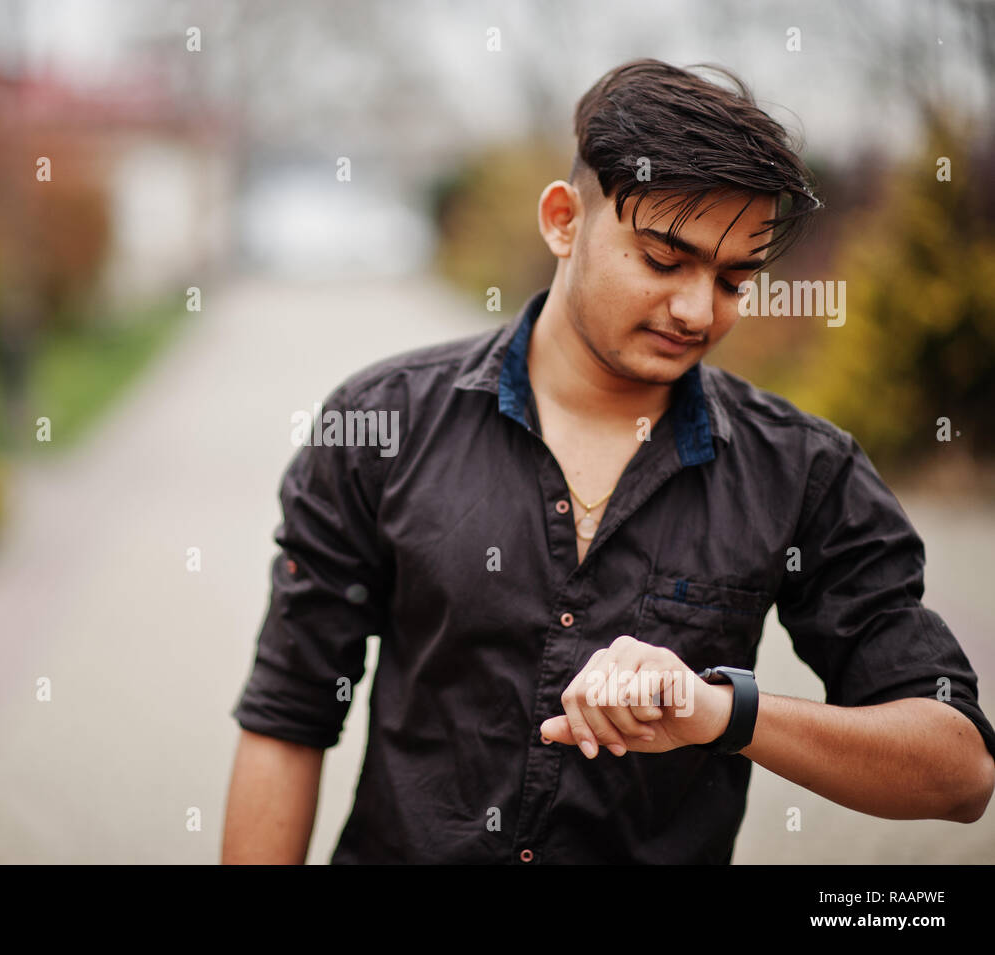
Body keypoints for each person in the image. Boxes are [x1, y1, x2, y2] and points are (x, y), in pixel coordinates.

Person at [222, 58, 995, 864]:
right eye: (664, 260)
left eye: (735, 279)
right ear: (564, 220)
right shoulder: (379, 423)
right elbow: (287, 717)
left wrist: (719, 711)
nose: (698, 309)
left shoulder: (804, 471)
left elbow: (959, 769)